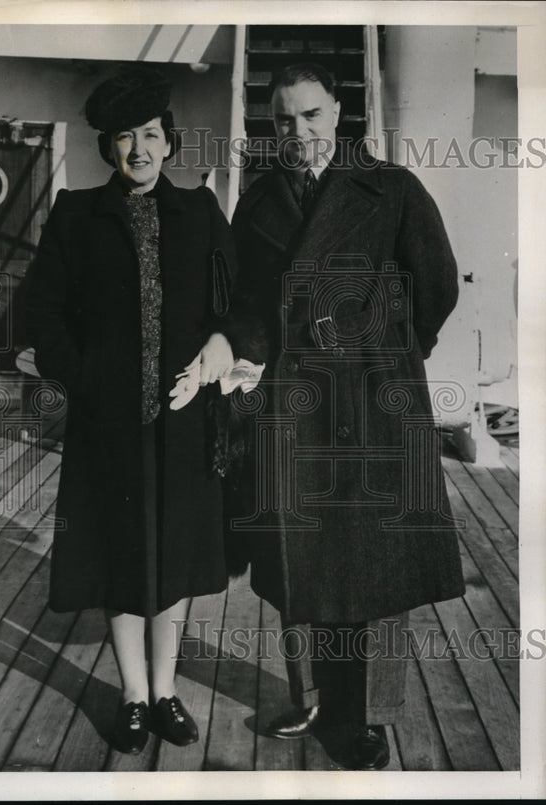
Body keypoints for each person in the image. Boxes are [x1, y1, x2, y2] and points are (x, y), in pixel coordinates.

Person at [227, 63, 466, 770]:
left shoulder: (391, 189)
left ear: (339, 112)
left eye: (311, 115)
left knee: (367, 567)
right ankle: (320, 700)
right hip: (295, 406)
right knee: (305, 564)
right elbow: (245, 301)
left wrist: (390, 355)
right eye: (284, 120)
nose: (298, 133)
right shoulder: (258, 201)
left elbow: (438, 283)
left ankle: (360, 716)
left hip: (369, 403)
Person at [25, 64, 235, 754]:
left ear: (170, 143)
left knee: (171, 558)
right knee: (121, 557)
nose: (139, 150)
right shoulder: (77, 215)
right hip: (108, 426)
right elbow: (41, 310)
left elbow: (238, 304)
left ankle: (167, 687)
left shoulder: (201, 213)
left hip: (181, 423)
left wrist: (218, 344)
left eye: (151, 135)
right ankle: (135, 696)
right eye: (124, 138)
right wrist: (83, 377)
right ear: (108, 148)